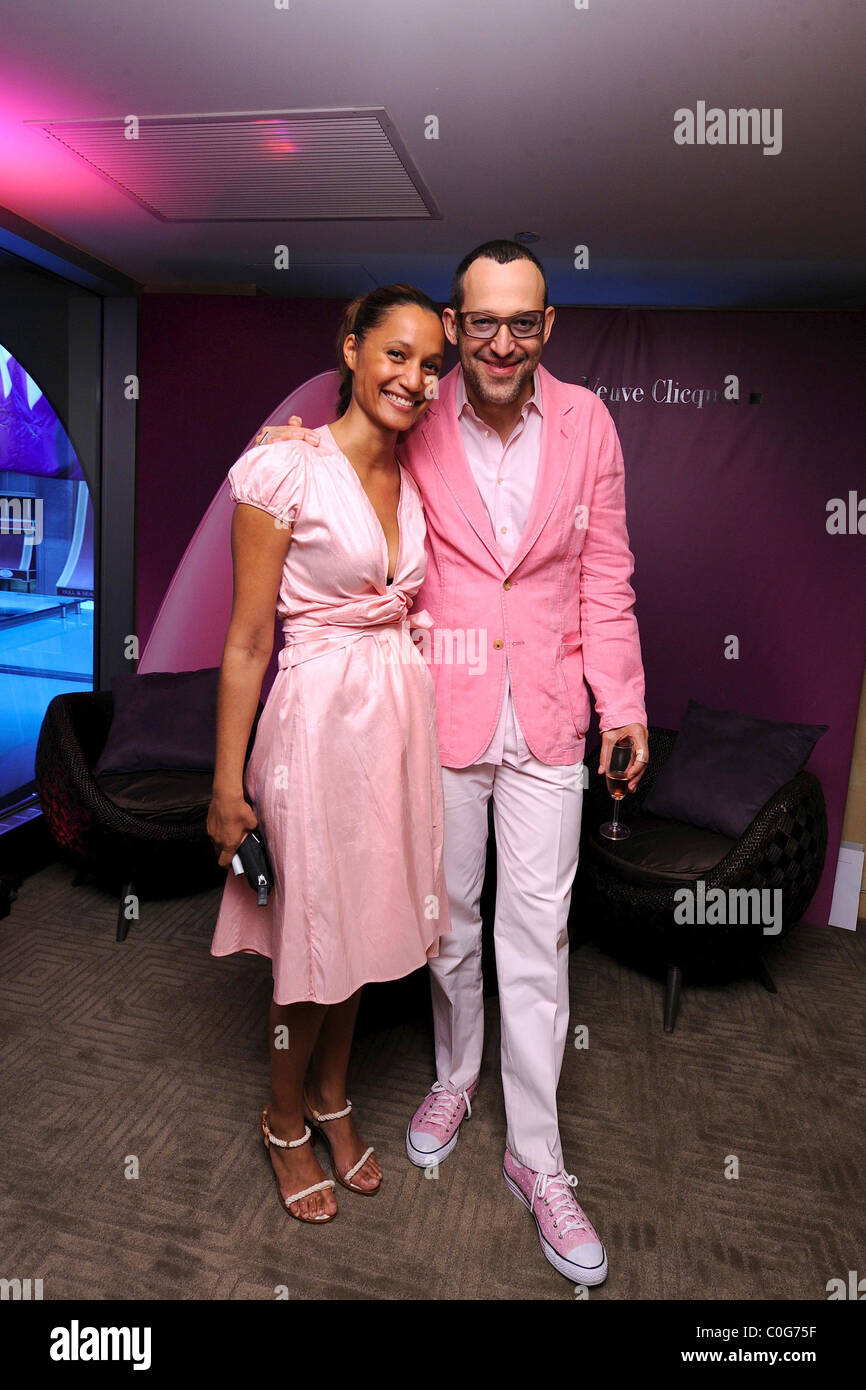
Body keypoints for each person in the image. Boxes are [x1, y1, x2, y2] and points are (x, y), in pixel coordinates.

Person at [254, 241, 649, 1283]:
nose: (500, 342)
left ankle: (538, 1159)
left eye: (522, 321)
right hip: (438, 707)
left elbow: (605, 571)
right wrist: (289, 447)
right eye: (481, 322)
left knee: (538, 930)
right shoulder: (419, 408)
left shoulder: (588, 424)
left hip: (554, 719)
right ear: (455, 321)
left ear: (547, 325)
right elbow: (344, 452)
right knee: (449, 920)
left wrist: (625, 703)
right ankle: (453, 1073)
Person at [208, 284, 448, 1224]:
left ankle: (331, 1098)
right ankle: (282, 1117)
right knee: (313, 941)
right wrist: (227, 788)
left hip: (393, 727)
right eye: (396, 354)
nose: (415, 379)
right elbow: (244, 643)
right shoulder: (284, 472)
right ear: (351, 349)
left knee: (367, 930)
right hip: (314, 727)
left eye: (432, 364)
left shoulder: (416, 473)